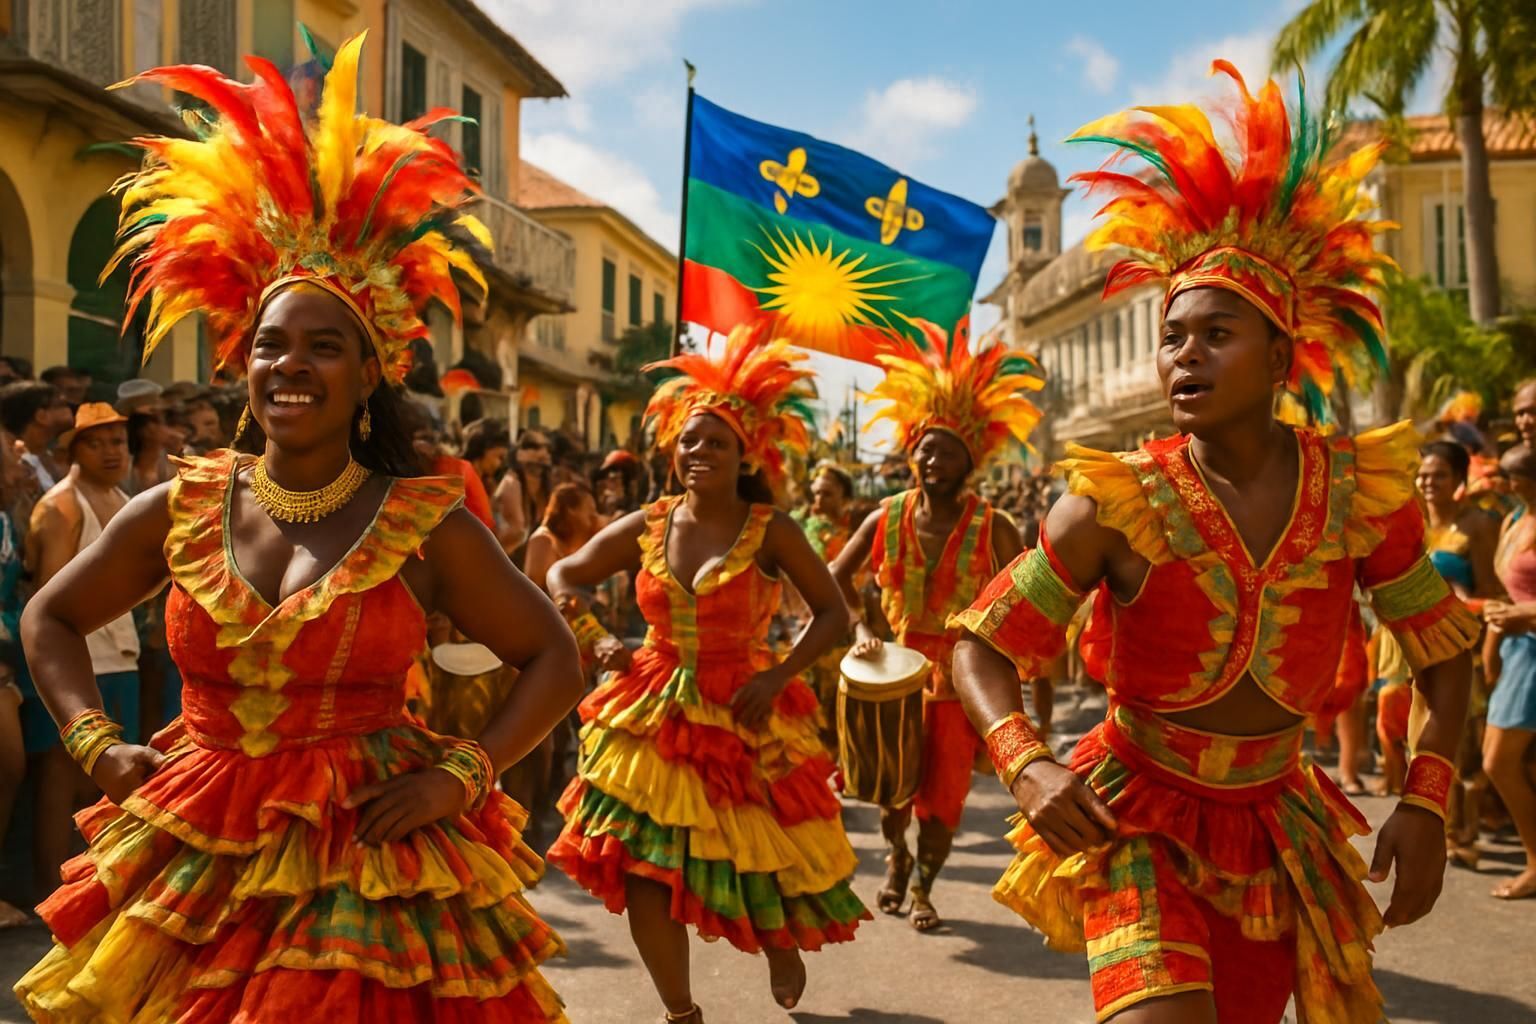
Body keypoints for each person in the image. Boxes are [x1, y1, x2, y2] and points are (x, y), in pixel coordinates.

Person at [12, 37, 580, 1021]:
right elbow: (50, 616)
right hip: (199, 842)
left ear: (368, 377)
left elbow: (554, 657)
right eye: (273, 343)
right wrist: (99, 742)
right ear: (245, 363)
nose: (292, 365)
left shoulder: (424, 524)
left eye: (327, 346)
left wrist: (462, 773)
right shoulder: (181, 506)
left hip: (371, 862)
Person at [949, 64, 1477, 1024]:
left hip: (1281, 823)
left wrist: (1429, 802)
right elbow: (980, 642)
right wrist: (1027, 759)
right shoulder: (1114, 501)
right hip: (1135, 814)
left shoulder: (1362, 496)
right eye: (1172, 334)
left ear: (1280, 356)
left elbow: (1446, 662)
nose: (1184, 354)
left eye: (1216, 333)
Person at [545, 326, 867, 1023]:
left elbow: (833, 616)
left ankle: (777, 942)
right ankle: (681, 1012)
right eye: (689, 440)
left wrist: (778, 676)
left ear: (745, 450)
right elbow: (562, 571)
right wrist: (596, 636)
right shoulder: (647, 524)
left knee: (751, 856)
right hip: (651, 704)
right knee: (645, 870)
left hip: (745, 704)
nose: (698, 452)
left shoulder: (772, 529)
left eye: (715, 441)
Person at [827, 321, 1037, 932]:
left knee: (943, 801)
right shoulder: (884, 516)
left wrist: (1013, 669)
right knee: (890, 791)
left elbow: (1031, 597)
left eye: (944, 450)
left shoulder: (993, 524)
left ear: (968, 461)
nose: (929, 458)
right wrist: (860, 630)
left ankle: (923, 885)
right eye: (923, 447)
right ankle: (895, 857)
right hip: (894, 678)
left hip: (961, 685)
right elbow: (835, 578)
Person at [20, 403, 142, 900]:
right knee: (61, 772)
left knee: (105, 778)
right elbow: (48, 601)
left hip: (121, 654)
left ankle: (90, 879)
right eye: (97, 442)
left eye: (117, 440)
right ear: (73, 450)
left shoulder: (120, 496)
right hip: (78, 658)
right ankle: (51, 881)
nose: (112, 451)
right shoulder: (61, 506)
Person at [1481, 443, 1536, 899]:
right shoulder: (1514, 519)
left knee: (1499, 761)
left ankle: (1535, 865)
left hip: (1531, 647)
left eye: (1512, 476)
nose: (1502, 484)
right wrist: (1492, 644)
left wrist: (1527, 617)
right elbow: (1505, 591)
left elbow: (1523, 605)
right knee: (1506, 761)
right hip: (1517, 648)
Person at [0, 380, 71, 492]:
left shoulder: (48, 456)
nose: (69, 409)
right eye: (61, 405)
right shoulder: (16, 467)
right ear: (41, 416)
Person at [496, 429, 552, 559]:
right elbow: (517, 531)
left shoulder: (546, 486)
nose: (543, 452)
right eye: (534, 447)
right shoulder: (512, 483)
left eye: (546, 448)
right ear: (520, 454)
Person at [463, 417, 512, 504]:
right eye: (500, 457)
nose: (501, 464)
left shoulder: (487, 484)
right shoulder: (461, 482)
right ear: (483, 449)